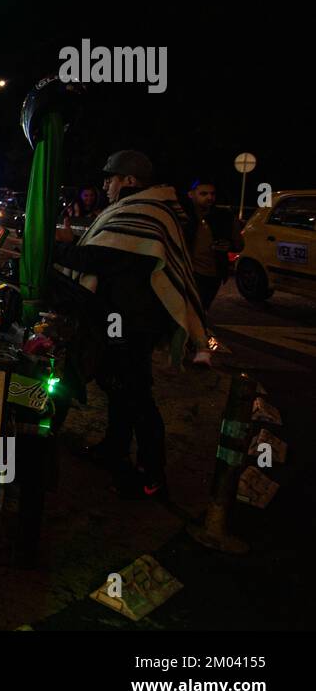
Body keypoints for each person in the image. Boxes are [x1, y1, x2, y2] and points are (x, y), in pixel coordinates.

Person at [53, 149, 206, 500]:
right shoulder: (143, 210)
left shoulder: (144, 213)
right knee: (116, 386)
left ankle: (152, 475)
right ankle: (114, 448)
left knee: (134, 392)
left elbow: (99, 259)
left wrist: (57, 248)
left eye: (110, 178)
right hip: (121, 317)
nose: (105, 185)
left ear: (129, 181)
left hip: (129, 321)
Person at [182, 178, 242, 311]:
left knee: (201, 309)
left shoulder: (225, 217)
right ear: (191, 194)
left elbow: (239, 245)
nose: (209, 197)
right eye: (203, 194)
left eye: (212, 194)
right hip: (188, 272)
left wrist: (229, 245)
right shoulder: (182, 216)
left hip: (213, 273)